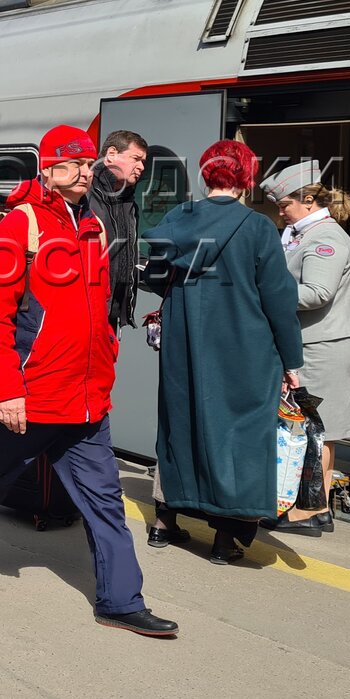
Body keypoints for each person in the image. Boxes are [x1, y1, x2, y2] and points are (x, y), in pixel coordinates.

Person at [0, 125, 176, 637]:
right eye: (74, 165)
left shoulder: (92, 226)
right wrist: (6, 390)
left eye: (89, 164)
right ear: (47, 169)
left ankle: (120, 599)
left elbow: (97, 312)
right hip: (30, 393)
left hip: (84, 399)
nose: (86, 172)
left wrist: (105, 362)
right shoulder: (18, 228)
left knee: (106, 501)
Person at [141, 140, 303, 563]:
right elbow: (279, 301)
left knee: (180, 426)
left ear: (206, 174)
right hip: (244, 350)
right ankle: (225, 538)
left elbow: (154, 275)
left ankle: (165, 522)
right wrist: (292, 361)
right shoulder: (257, 227)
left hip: (185, 344)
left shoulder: (178, 217)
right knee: (241, 437)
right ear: (247, 179)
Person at [263, 161, 350, 534]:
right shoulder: (303, 234)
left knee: (318, 428)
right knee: (311, 427)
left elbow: (318, 293)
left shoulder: (325, 239)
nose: (280, 211)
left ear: (307, 200)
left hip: (323, 346)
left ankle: (312, 511)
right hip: (315, 343)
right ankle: (313, 506)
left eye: (285, 204)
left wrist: (266, 295)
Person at [85, 130, 148, 331]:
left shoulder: (128, 202)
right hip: (86, 313)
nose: (141, 167)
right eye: (136, 159)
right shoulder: (85, 195)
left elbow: (123, 255)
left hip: (111, 317)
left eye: (143, 161)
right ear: (111, 154)